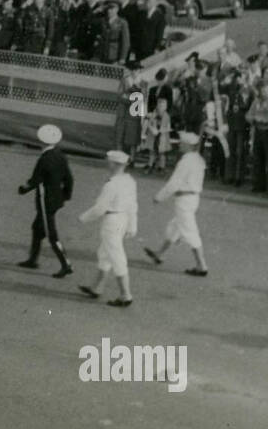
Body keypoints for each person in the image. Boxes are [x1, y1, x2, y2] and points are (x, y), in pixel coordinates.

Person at [77, 149, 138, 307]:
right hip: (122, 219)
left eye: (109, 161)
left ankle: (126, 295)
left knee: (116, 256)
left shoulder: (111, 185)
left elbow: (100, 208)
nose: (107, 163)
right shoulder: (129, 181)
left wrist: (83, 218)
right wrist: (132, 224)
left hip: (112, 221)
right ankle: (96, 287)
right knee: (105, 253)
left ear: (114, 164)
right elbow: (133, 205)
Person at [143, 131, 209, 275]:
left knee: (190, 231)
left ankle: (202, 265)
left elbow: (174, 183)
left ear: (188, 145)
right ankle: (159, 254)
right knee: (175, 227)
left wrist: (159, 197)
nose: (180, 144)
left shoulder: (185, 161)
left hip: (184, 199)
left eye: (182, 143)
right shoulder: (198, 159)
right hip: (193, 198)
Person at [16, 124, 75, 277]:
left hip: (45, 201)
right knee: (37, 228)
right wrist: (66, 195)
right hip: (56, 199)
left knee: (51, 234)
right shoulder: (60, 155)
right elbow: (69, 178)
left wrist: (23, 189)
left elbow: (36, 180)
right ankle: (32, 259)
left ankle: (65, 263)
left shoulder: (44, 159)